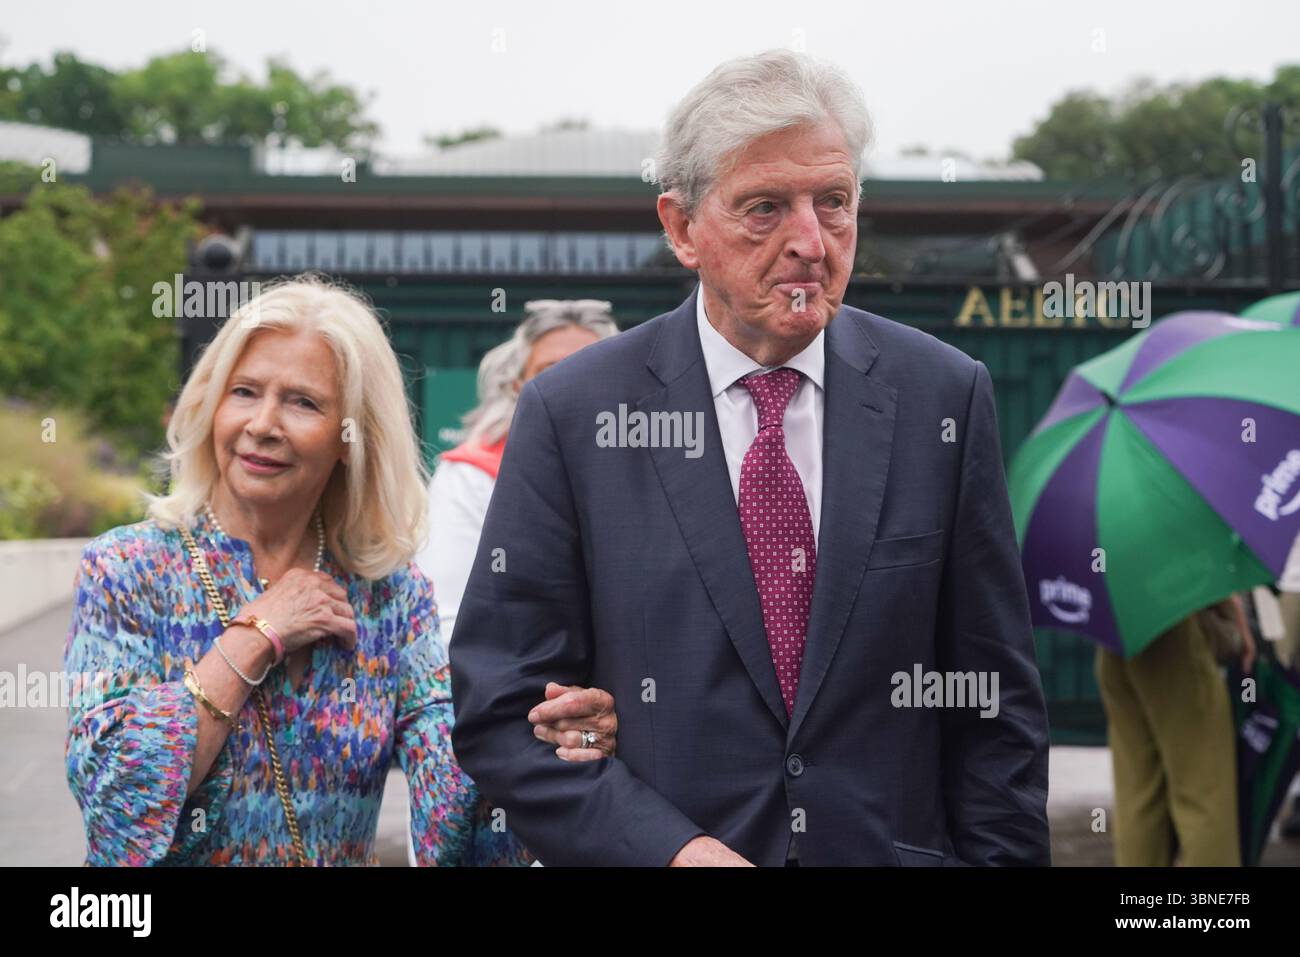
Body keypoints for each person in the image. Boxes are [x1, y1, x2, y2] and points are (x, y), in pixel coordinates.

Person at [450, 50, 1051, 866]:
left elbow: (998, 715)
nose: (811, 240)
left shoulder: (942, 396)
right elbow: (503, 705)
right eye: (765, 207)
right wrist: (671, 850)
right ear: (681, 227)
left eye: (833, 202)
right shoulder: (575, 411)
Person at [63, 276, 617, 865]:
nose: (264, 424)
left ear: (351, 437)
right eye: (245, 392)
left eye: (303, 402)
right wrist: (253, 640)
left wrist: (547, 746)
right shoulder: (127, 568)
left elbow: (461, 797)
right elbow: (115, 798)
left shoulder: (391, 596)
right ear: (211, 403)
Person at [416, 300, 618, 643]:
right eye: (550, 371)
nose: (570, 385)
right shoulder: (471, 477)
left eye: (589, 369)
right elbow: (445, 621)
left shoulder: (653, 469)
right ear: (517, 387)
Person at [1094, 596, 1252, 866]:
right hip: (1171, 630)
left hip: (1115, 634)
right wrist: (1231, 606)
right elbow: (1197, 558)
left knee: (1139, 796)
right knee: (1204, 792)